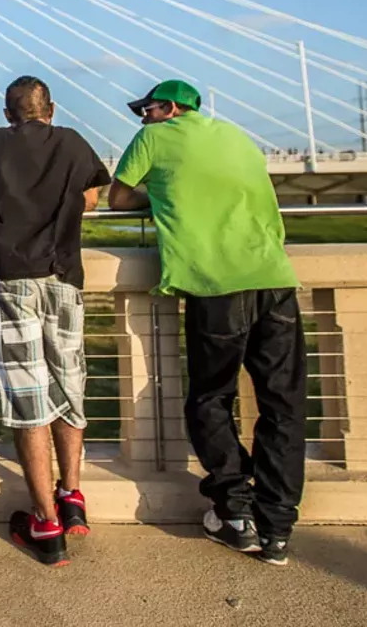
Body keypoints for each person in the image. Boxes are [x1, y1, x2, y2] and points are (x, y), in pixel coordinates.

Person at [108, 80, 303, 568]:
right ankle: (277, 529)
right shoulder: (238, 136)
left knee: (212, 399)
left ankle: (236, 512)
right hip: (275, 281)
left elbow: (116, 198)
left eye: (147, 109)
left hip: (216, 288)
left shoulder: (155, 138)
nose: (142, 118)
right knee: (283, 405)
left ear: (171, 109)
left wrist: (163, 197)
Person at [0, 76, 110, 567]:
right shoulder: (72, 141)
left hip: (12, 277)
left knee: (29, 395)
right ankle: (72, 497)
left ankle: (45, 523)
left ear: (8, 112)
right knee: (70, 383)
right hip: (64, 275)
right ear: (51, 108)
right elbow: (92, 198)